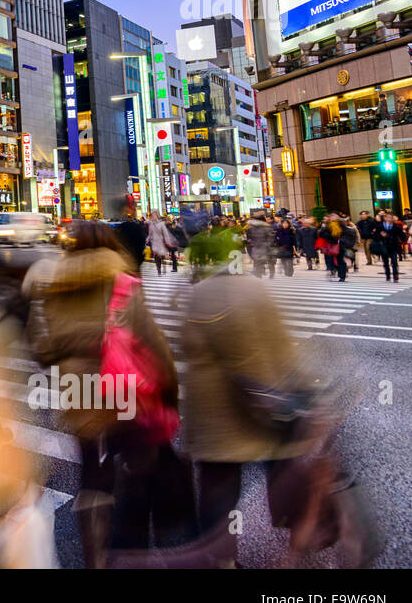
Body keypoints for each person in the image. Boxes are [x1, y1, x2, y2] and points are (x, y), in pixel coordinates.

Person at [23, 221, 184, 567]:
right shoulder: (120, 276)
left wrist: (65, 358)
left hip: (76, 386)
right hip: (122, 385)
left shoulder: (52, 282)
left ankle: (94, 558)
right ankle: (132, 551)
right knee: (137, 464)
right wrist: (169, 386)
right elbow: (148, 336)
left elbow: (40, 346)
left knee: (93, 474)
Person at [179, 229, 321, 568]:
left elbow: (186, 346)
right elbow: (280, 347)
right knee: (283, 466)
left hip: (211, 407)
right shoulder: (252, 288)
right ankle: (296, 541)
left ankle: (220, 559)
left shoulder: (195, 295)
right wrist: (303, 392)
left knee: (219, 487)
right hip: (260, 400)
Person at [108, 197, 147, 276]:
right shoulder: (137, 228)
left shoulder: (118, 229)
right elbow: (142, 247)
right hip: (135, 265)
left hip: (122, 267)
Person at [375, 211, 406, 282]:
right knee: (385, 261)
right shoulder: (380, 226)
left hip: (393, 246)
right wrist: (380, 235)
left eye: (390, 218)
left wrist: (400, 239)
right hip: (384, 246)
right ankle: (388, 275)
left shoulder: (396, 227)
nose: (389, 219)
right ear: (385, 218)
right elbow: (375, 236)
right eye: (387, 217)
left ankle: (395, 275)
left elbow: (402, 236)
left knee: (394, 261)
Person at [318, 213, 346, 282]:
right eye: (331, 216)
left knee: (340, 261)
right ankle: (334, 269)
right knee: (330, 261)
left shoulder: (341, 225)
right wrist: (324, 228)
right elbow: (321, 234)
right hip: (330, 246)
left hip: (339, 246)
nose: (333, 218)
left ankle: (342, 276)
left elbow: (346, 234)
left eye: (334, 216)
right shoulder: (327, 226)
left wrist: (342, 241)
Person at [146, 212, 176, 276]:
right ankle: (158, 268)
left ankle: (163, 264)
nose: (153, 217)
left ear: (157, 216)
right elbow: (150, 233)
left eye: (154, 215)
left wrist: (168, 242)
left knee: (161, 255)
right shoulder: (151, 224)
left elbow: (165, 233)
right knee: (156, 255)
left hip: (160, 241)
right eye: (152, 216)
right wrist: (147, 239)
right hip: (154, 242)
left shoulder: (161, 224)